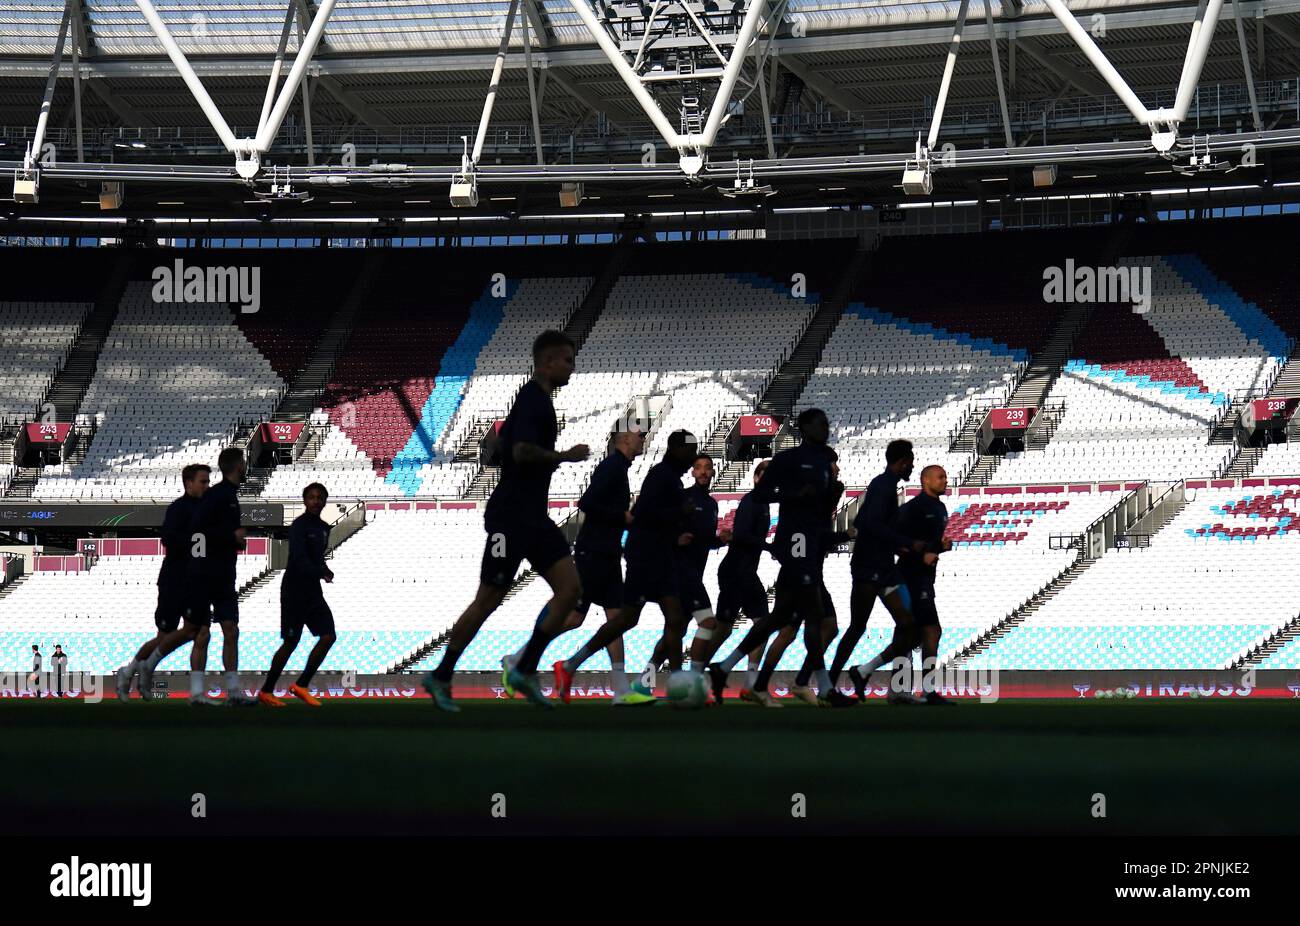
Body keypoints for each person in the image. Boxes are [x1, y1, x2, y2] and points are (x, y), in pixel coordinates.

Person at [423, 330, 589, 712]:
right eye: (567, 360)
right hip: (512, 515)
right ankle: (441, 674)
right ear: (547, 362)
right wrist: (564, 455)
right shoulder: (533, 399)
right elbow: (521, 451)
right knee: (487, 600)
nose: (571, 367)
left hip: (532, 515)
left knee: (570, 590)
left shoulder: (533, 401)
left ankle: (524, 668)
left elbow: (501, 448)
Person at [551, 429, 697, 699]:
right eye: (690, 450)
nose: (692, 457)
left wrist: (678, 534)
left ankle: (674, 685)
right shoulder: (659, 475)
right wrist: (678, 514)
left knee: (675, 619)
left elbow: (656, 519)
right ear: (676, 449)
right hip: (642, 557)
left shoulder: (669, 479)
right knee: (620, 619)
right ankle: (567, 662)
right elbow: (644, 514)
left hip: (659, 557)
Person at [707, 408, 839, 704]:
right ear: (805, 428)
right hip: (795, 541)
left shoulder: (823, 462)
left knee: (781, 617)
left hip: (811, 542)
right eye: (820, 424)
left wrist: (833, 502)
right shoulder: (788, 460)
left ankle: (725, 667)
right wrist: (792, 496)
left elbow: (819, 509)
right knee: (815, 614)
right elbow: (761, 494)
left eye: (827, 423)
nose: (825, 428)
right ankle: (823, 686)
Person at [526, 427, 654, 705]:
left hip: (607, 554)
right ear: (624, 440)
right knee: (574, 616)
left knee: (616, 620)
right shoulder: (612, 467)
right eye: (638, 435)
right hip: (593, 553)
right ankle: (524, 656)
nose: (643, 439)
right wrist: (622, 516)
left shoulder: (619, 468)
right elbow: (587, 503)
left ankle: (619, 689)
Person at [837, 440, 929, 704]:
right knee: (859, 627)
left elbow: (864, 521)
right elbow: (872, 525)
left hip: (884, 567)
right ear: (902, 461)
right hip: (871, 567)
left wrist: (899, 546)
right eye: (910, 460)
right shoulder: (884, 486)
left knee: (909, 626)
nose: (912, 465)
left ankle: (869, 674)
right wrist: (907, 543)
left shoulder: (883, 486)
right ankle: (831, 683)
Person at [116, 463, 212, 703]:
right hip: (175, 580)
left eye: (208, 481)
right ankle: (130, 673)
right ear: (188, 483)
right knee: (164, 636)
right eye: (203, 481)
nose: (207, 485)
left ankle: (197, 692)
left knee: (202, 633)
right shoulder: (178, 509)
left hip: (198, 581)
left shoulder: (209, 510)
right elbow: (168, 540)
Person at [258, 483, 337, 708]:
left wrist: (325, 569)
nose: (315, 501)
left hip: (313, 592)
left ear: (324, 501)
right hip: (294, 591)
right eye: (311, 497)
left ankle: (301, 685)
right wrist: (321, 572)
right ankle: (266, 691)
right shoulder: (299, 526)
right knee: (291, 642)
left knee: (329, 636)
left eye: (320, 497)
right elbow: (300, 560)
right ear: (305, 500)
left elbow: (317, 558)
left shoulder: (323, 528)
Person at [188, 447, 252, 706]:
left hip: (225, 575)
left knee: (231, 630)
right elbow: (197, 532)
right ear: (238, 466)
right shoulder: (216, 496)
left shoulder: (231, 497)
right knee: (202, 633)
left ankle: (234, 692)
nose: (246, 467)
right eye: (244, 463)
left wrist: (236, 543)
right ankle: (196, 693)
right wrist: (231, 538)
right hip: (206, 575)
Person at [894, 464, 954, 705]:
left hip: (925, 577)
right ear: (926, 480)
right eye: (940, 477)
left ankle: (903, 690)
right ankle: (921, 690)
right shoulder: (912, 509)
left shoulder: (940, 508)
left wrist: (941, 547)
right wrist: (922, 556)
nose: (945, 480)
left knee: (914, 631)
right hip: (910, 577)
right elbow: (898, 543)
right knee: (928, 630)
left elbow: (927, 545)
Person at [678, 453, 732, 674]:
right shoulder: (683, 498)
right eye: (698, 467)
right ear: (692, 471)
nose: (702, 471)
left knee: (677, 631)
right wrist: (676, 539)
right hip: (683, 573)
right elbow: (665, 529)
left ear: (712, 472)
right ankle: (694, 678)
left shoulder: (711, 505)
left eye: (707, 467)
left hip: (694, 573)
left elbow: (705, 540)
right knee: (708, 622)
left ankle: (643, 682)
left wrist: (719, 540)